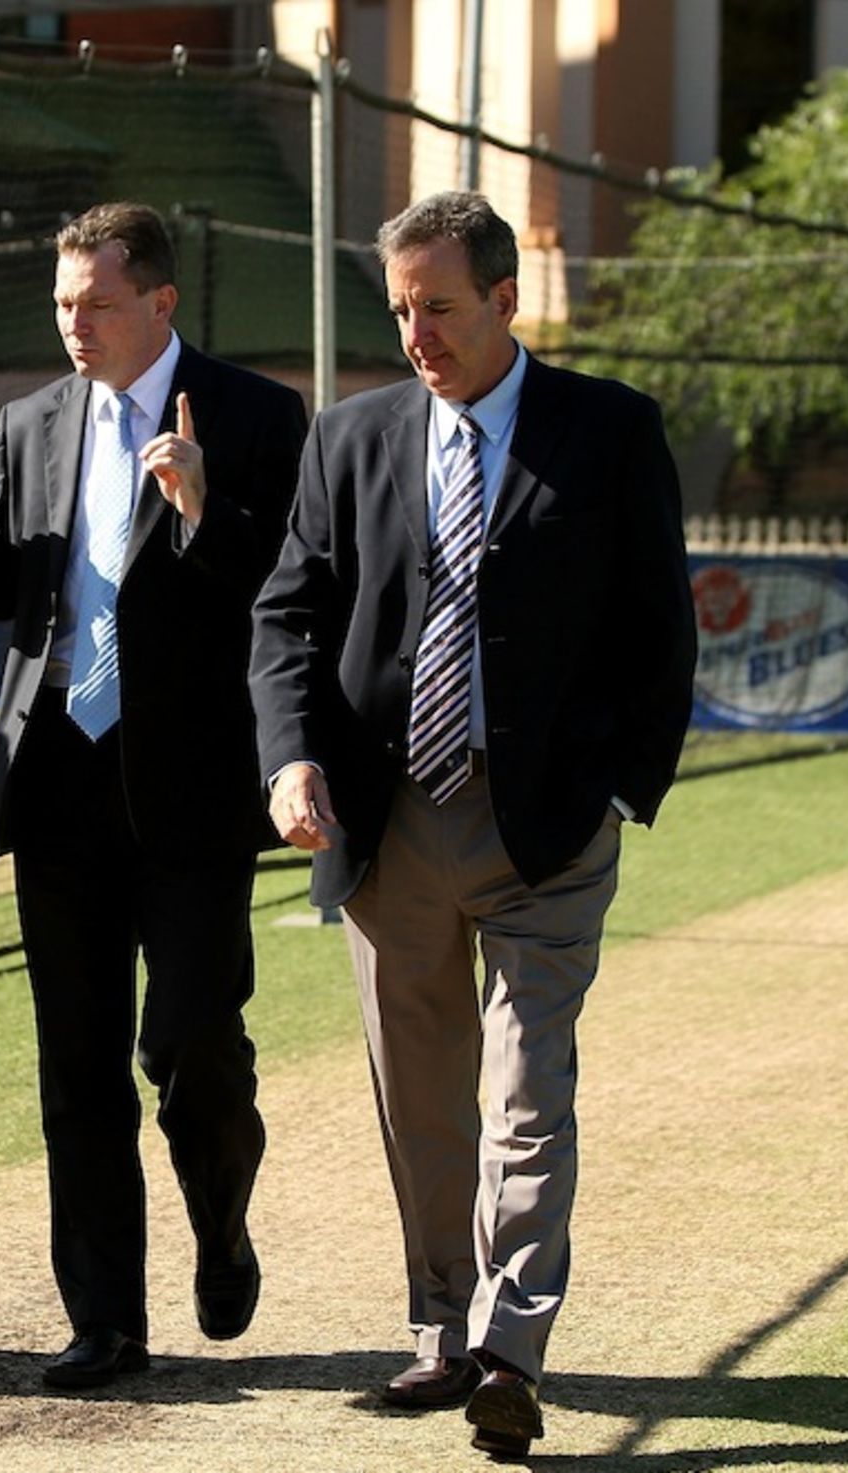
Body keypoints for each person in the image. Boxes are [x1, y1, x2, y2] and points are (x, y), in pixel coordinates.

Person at [249, 191, 696, 1460]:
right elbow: (286, 618)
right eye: (399, 310)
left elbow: (661, 628)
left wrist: (618, 788)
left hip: (547, 829)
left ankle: (511, 1347)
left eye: (437, 307)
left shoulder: (610, 432)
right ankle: (442, 1323)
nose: (416, 337)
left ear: (508, 300)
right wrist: (289, 766)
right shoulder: (350, 440)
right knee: (423, 1098)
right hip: (387, 826)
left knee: (525, 1090)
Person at [0, 201, 307, 1389]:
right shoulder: (29, 420)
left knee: (190, 1045)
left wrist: (201, 513)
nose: (76, 324)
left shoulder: (259, 415)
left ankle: (222, 1230)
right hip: (59, 778)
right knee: (77, 1069)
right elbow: (2, 596)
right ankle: (106, 1324)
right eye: (64, 304)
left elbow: (288, 591)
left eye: (99, 304)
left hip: (191, 792)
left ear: (161, 305)